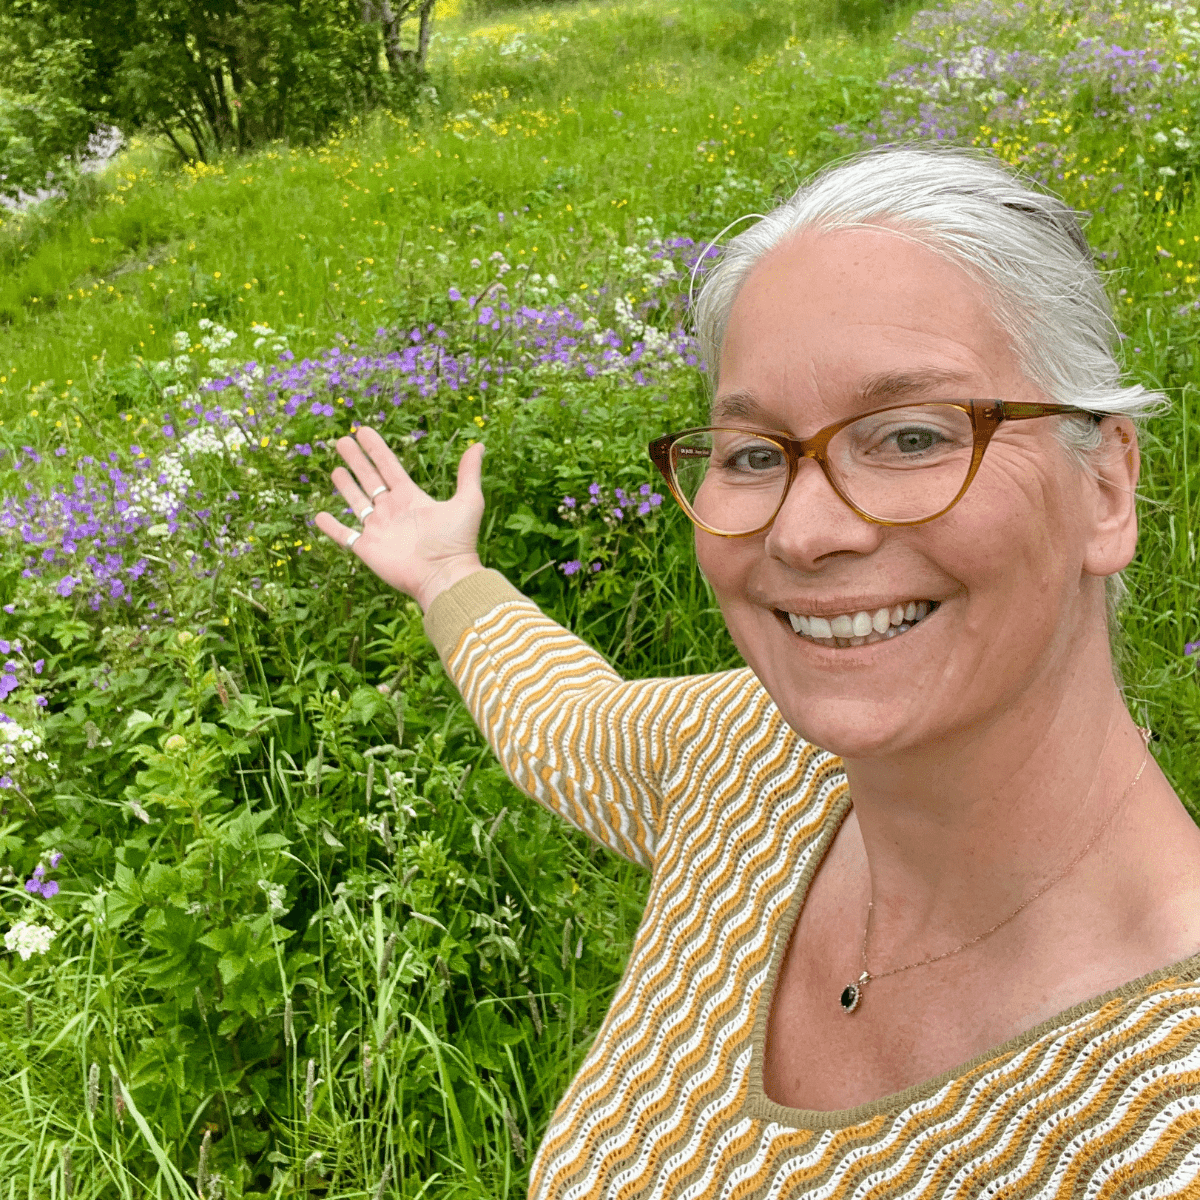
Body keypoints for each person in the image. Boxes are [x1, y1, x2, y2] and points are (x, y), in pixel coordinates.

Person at [316, 147, 1200, 1198]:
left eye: (911, 437)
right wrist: (446, 573)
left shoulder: (1162, 1129)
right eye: (752, 454)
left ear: (1106, 487)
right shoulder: (754, 758)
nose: (805, 532)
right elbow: (563, 721)